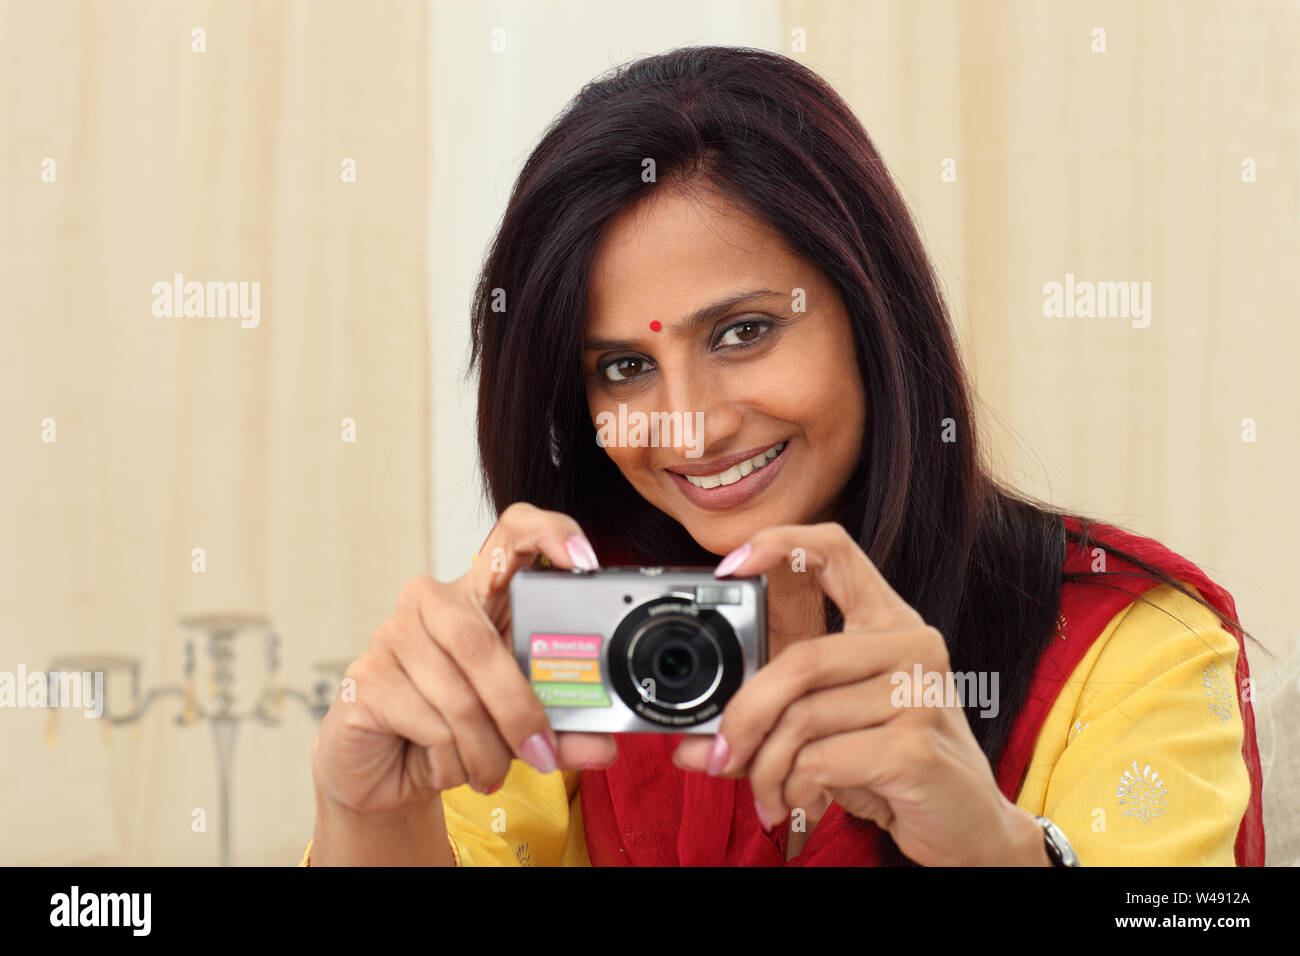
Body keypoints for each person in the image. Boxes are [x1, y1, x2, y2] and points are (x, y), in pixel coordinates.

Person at [302, 46, 1265, 867]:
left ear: (872, 313)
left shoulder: (1126, 645)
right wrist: (370, 813)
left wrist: (990, 847)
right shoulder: (578, 646)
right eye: (627, 365)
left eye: (743, 332)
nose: (691, 426)